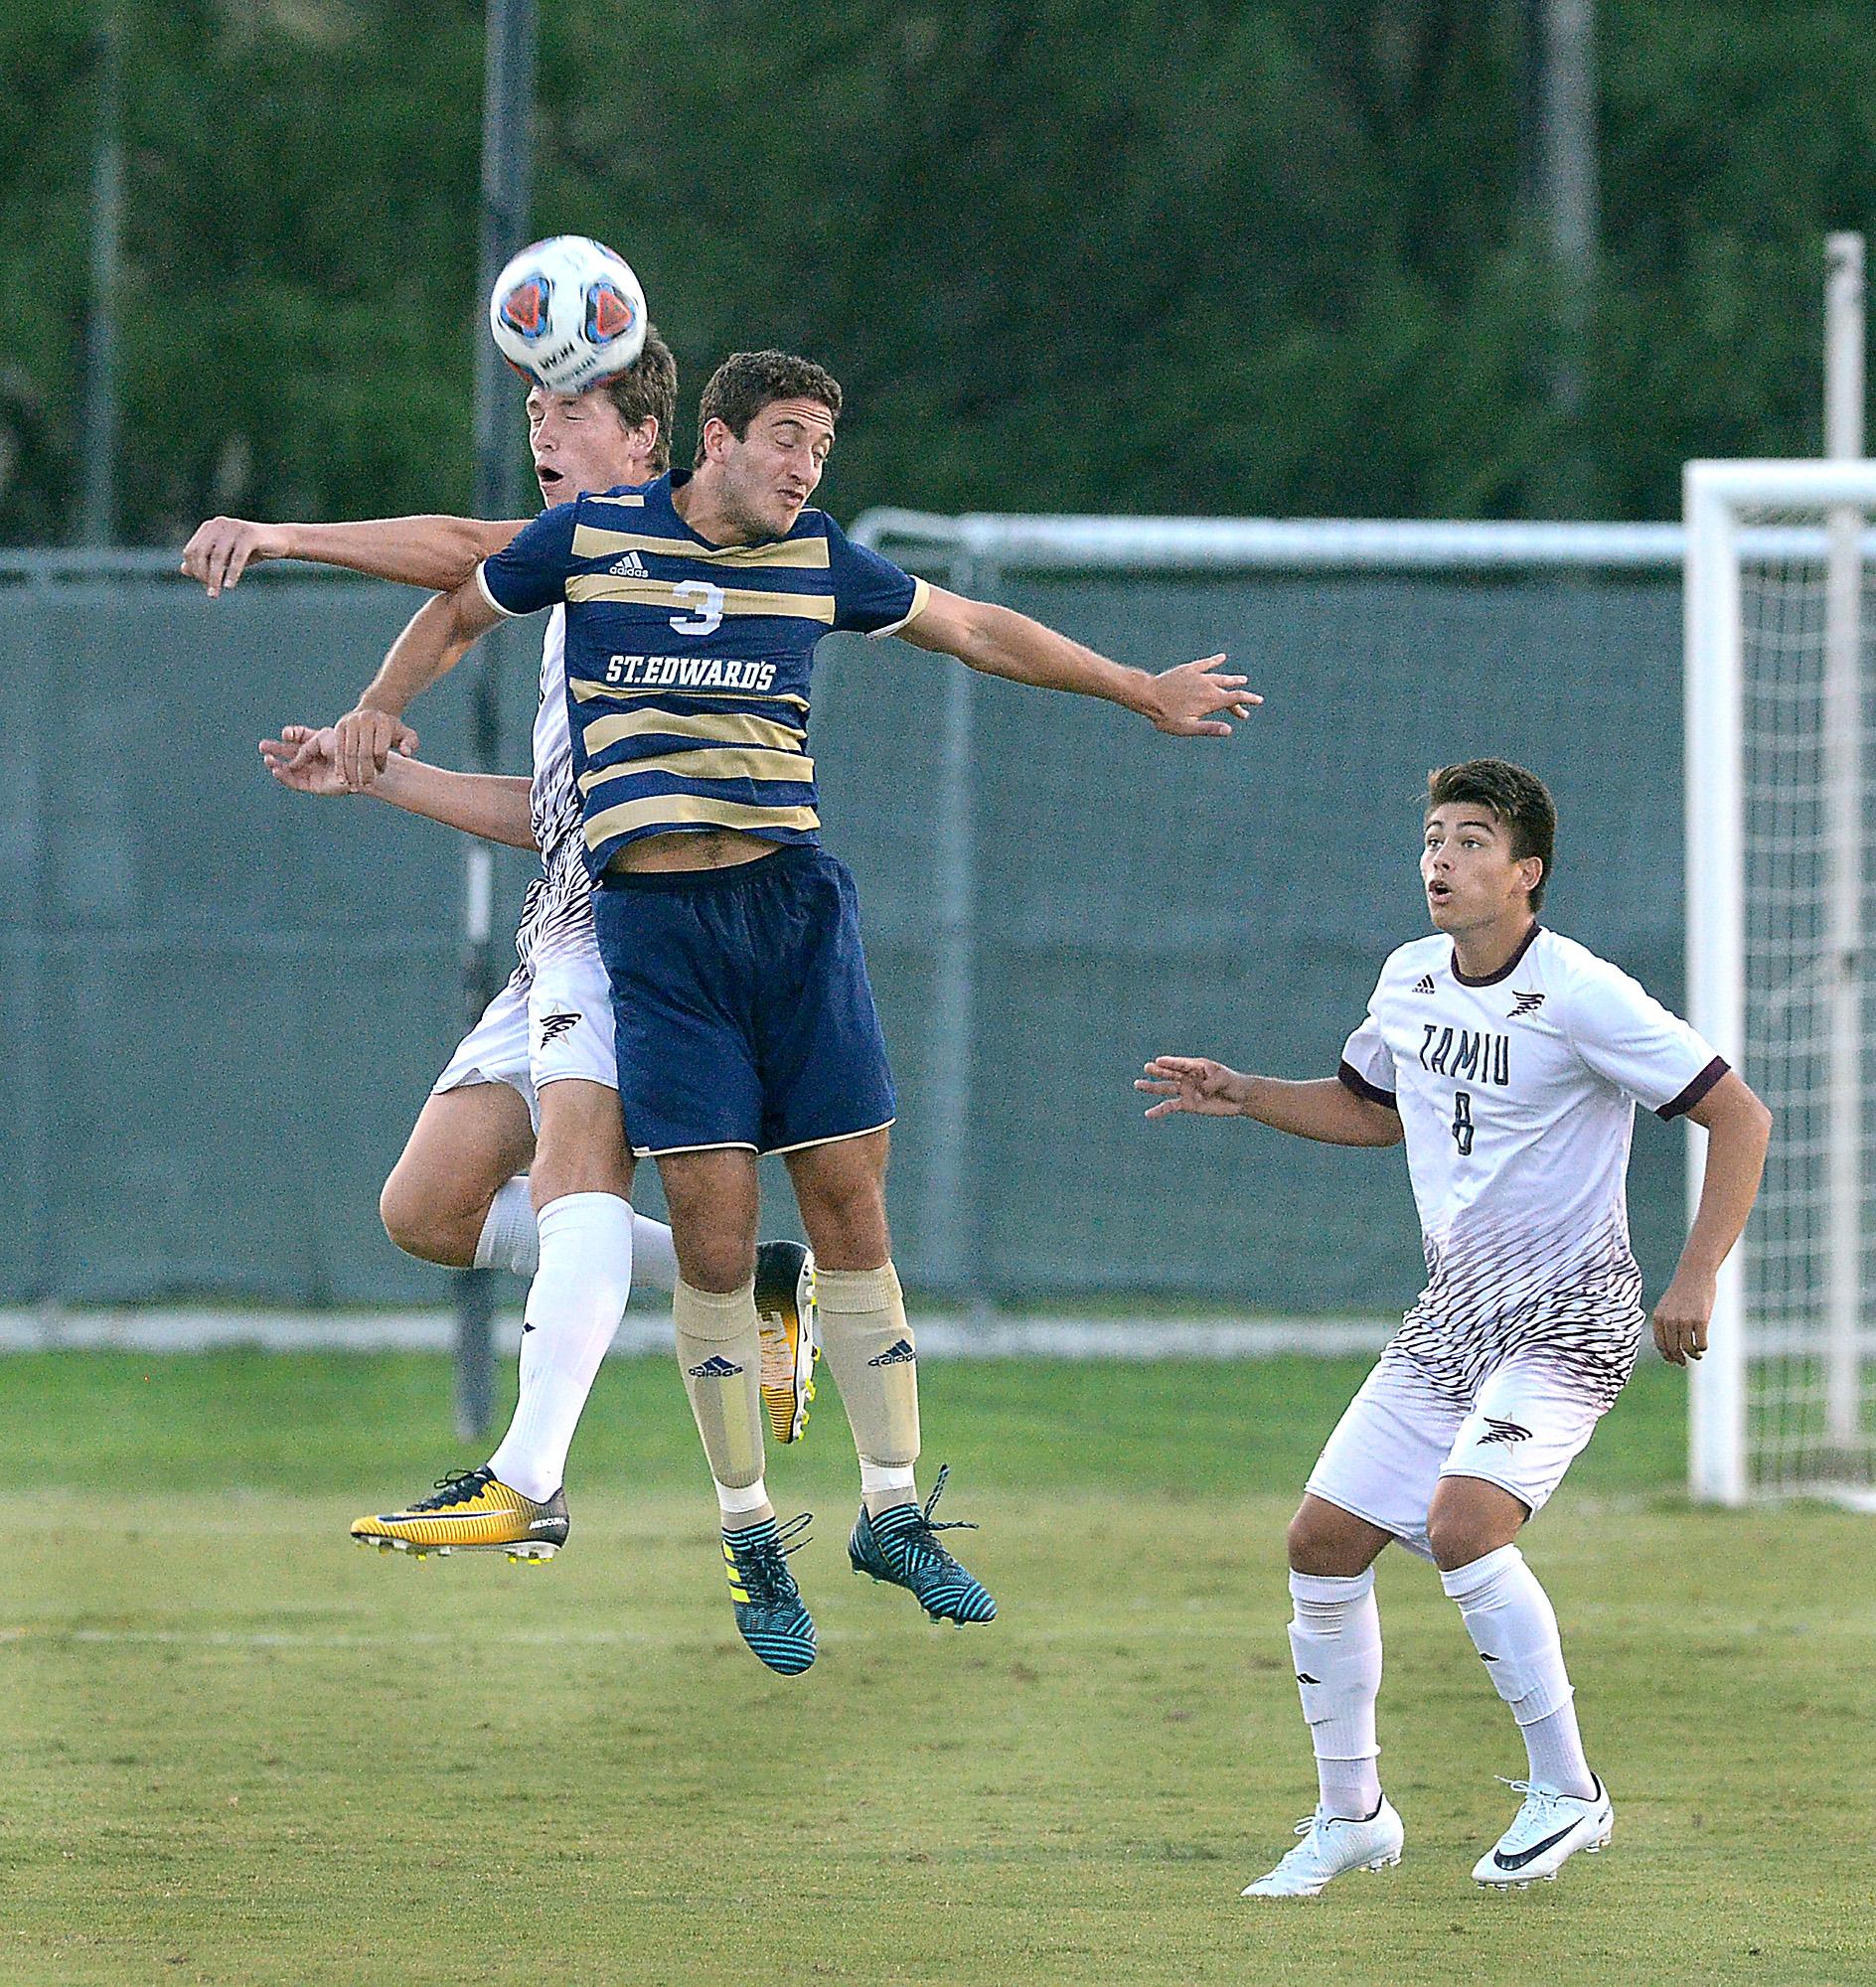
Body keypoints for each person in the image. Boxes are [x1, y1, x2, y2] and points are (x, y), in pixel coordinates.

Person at [309, 348, 1260, 1674]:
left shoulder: (817, 558)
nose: (810, 467)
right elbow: (463, 598)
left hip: (791, 911)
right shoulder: (589, 539)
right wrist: (373, 713)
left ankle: (890, 1509)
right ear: (717, 436)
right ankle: (745, 1531)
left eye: (822, 444)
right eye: (789, 439)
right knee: (700, 1228)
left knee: (850, 1205)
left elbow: (978, 628)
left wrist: (1140, 688)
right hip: (645, 928)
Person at [181, 336, 817, 1564]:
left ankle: (528, 1477)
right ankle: (742, 1268)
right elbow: (548, 811)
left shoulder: (637, 536)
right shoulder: (580, 584)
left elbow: (461, 552)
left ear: (645, 445)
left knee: (578, 1178)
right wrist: (382, 773)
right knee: (425, 1206)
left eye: (570, 408)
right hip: (563, 920)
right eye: (533, 406)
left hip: (644, 926)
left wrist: (286, 535)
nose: (542, 431)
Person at [1139, 758, 1770, 1895]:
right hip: (1452, 1319)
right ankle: (1352, 1816)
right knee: (1319, 1543)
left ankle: (1569, 1792)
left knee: (1466, 1525)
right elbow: (1373, 1110)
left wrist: (1697, 1274)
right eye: (1433, 836)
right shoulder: (1408, 977)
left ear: (1526, 873)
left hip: (1569, 1316)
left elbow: (1738, 1112)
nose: (1441, 858)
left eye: (1472, 839)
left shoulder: (1582, 991)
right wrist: (1243, 1090)